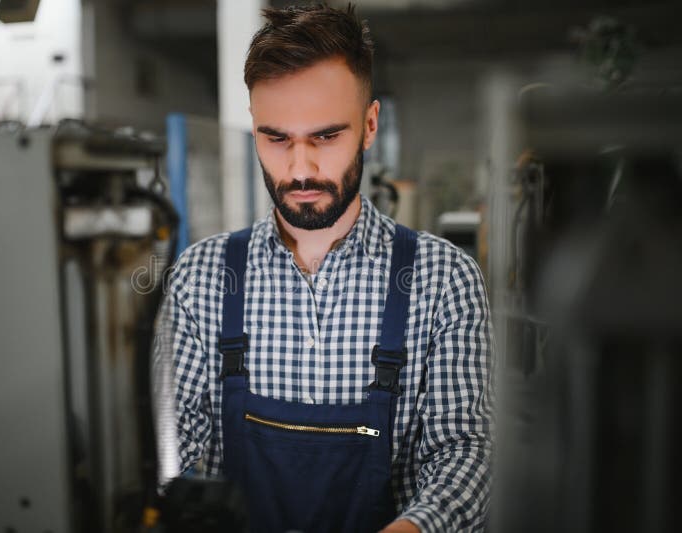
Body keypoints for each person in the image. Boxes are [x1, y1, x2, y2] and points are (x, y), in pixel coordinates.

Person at [153, 4, 494, 532]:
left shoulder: (445, 279)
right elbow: (173, 451)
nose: (300, 168)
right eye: (277, 138)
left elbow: (464, 455)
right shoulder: (201, 277)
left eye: (326, 137)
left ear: (370, 125)